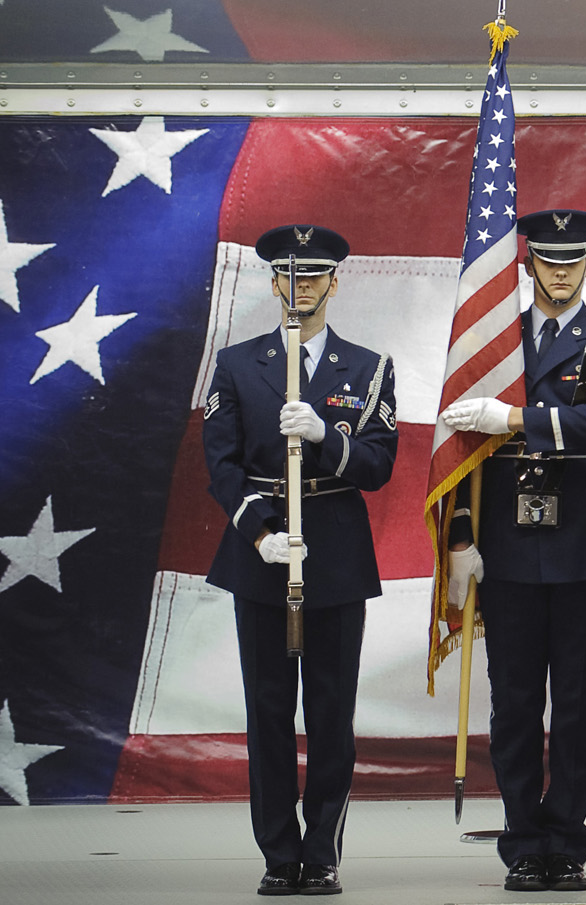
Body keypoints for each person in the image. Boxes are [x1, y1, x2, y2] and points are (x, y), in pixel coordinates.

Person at [438, 209, 586, 894]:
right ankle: (524, 841)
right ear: (527, 263)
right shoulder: (491, 339)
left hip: (583, 538)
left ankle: (567, 840)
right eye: (549, 259)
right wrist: (460, 536)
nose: (561, 270)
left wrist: (519, 419)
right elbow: (461, 450)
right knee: (516, 701)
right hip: (507, 535)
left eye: (573, 258)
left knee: (579, 701)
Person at [202, 225, 398, 896]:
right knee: (268, 711)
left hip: (336, 551)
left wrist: (324, 437)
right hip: (261, 555)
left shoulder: (368, 368)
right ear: (273, 281)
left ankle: (322, 852)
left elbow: (377, 465)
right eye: (290, 274)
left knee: (331, 712)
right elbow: (222, 468)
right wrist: (259, 534)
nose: (302, 285)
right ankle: (278, 853)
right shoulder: (235, 364)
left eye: (315, 274)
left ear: (335, 282)